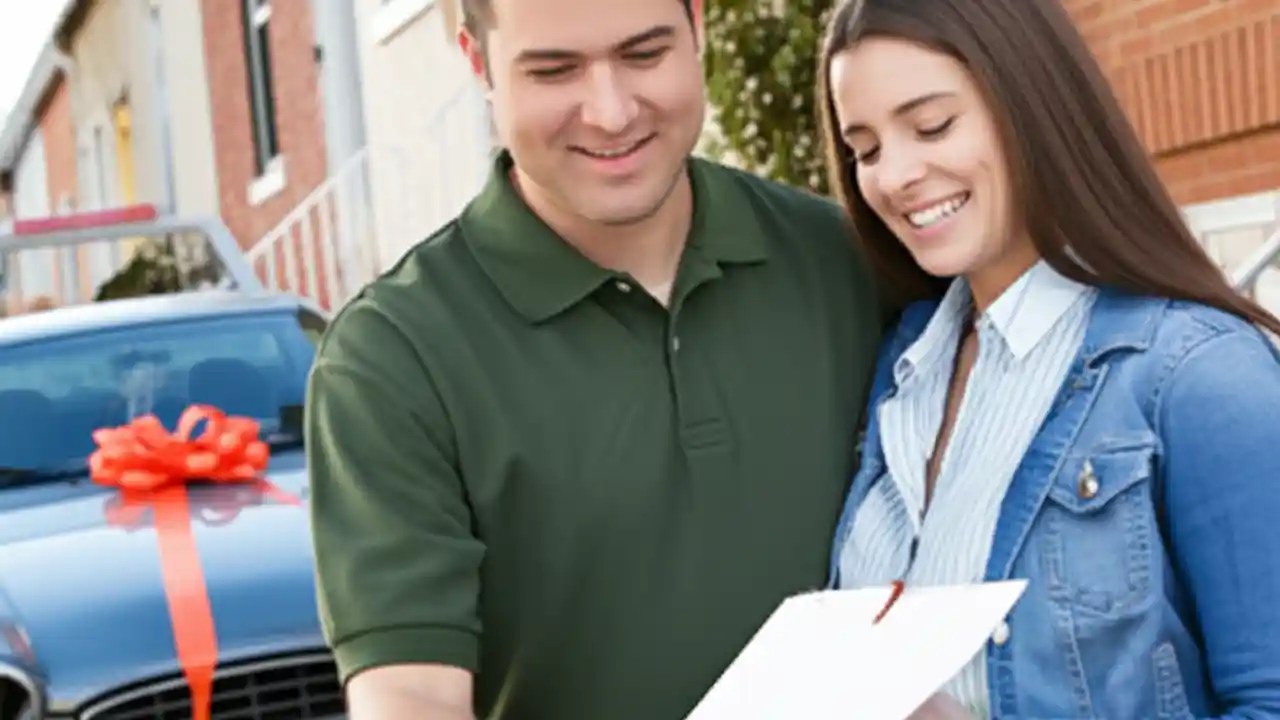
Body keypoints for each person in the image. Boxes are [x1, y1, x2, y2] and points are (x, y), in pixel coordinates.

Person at [304, 0, 883, 717]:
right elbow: (411, 696)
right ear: (478, 63)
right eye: (555, 70)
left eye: (643, 55)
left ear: (697, 27)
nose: (610, 113)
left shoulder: (849, 259)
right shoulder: (391, 358)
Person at [815, 0, 1280, 718]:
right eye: (866, 148)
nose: (895, 174)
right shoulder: (904, 370)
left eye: (932, 125)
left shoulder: (1201, 375)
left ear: (1032, 106)